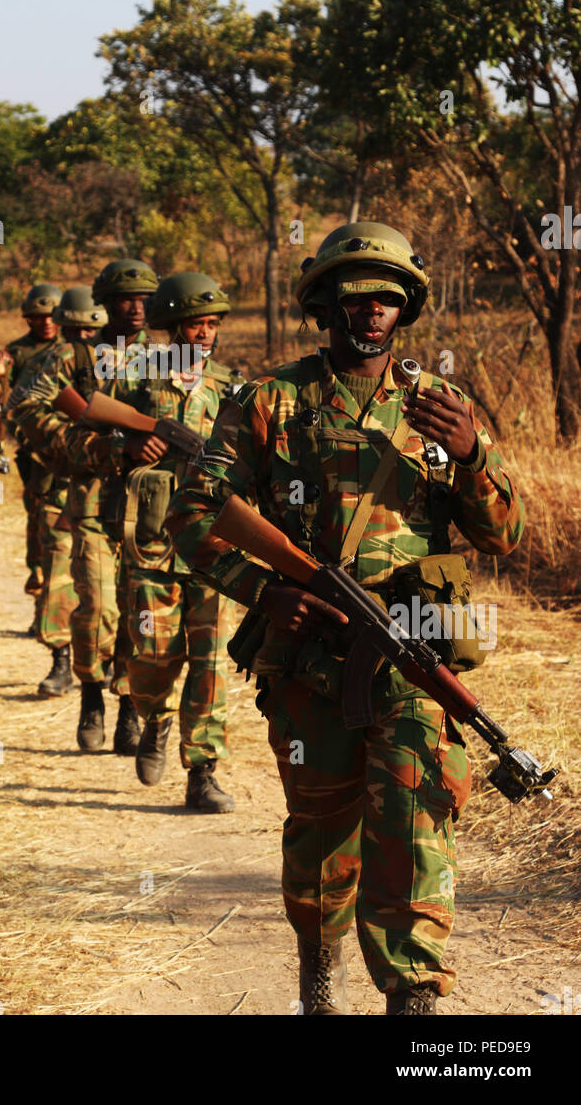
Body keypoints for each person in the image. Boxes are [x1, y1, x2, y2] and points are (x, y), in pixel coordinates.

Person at [166, 221, 524, 1014]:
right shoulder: (268, 402)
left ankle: (415, 997)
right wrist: (264, 591)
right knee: (322, 829)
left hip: (414, 650)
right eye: (358, 297)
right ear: (325, 302)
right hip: (311, 657)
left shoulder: (442, 407)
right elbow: (191, 518)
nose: (372, 313)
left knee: (415, 811)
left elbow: (506, 532)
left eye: (388, 300)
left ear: (407, 311)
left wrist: (473, 457)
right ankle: (319, 966)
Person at [63, 272, 244, 811]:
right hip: (150, 541)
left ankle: (203, 770)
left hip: (213, 543)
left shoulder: (232, 387)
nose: (206, 334)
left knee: (210, 659)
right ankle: (153, 715)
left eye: (213, 324)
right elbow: (79, 432)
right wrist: (123, 448)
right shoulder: (133, 376)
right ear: (170, 328)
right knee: (151, 657)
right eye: (195, 324)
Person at [10, 259, 158, 754]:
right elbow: (27, 406)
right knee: (97, 605)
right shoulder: (75, 357)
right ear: (105, 303)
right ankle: (91, 692)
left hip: (149, 511)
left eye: (143, 299)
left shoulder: (167, 357)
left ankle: (128, 706)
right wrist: (101, 448)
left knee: (140, 613)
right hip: (92, 502)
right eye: (124, 299)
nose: (135, 308)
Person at [0, 284, 62, 606]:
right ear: (29, 319)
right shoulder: (16, 352)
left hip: (75, 444)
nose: (46, 323)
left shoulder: (74, 347)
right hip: (36, 450)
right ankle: (41, 595)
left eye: (52, 316)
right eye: (39, 318)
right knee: (40, 521)